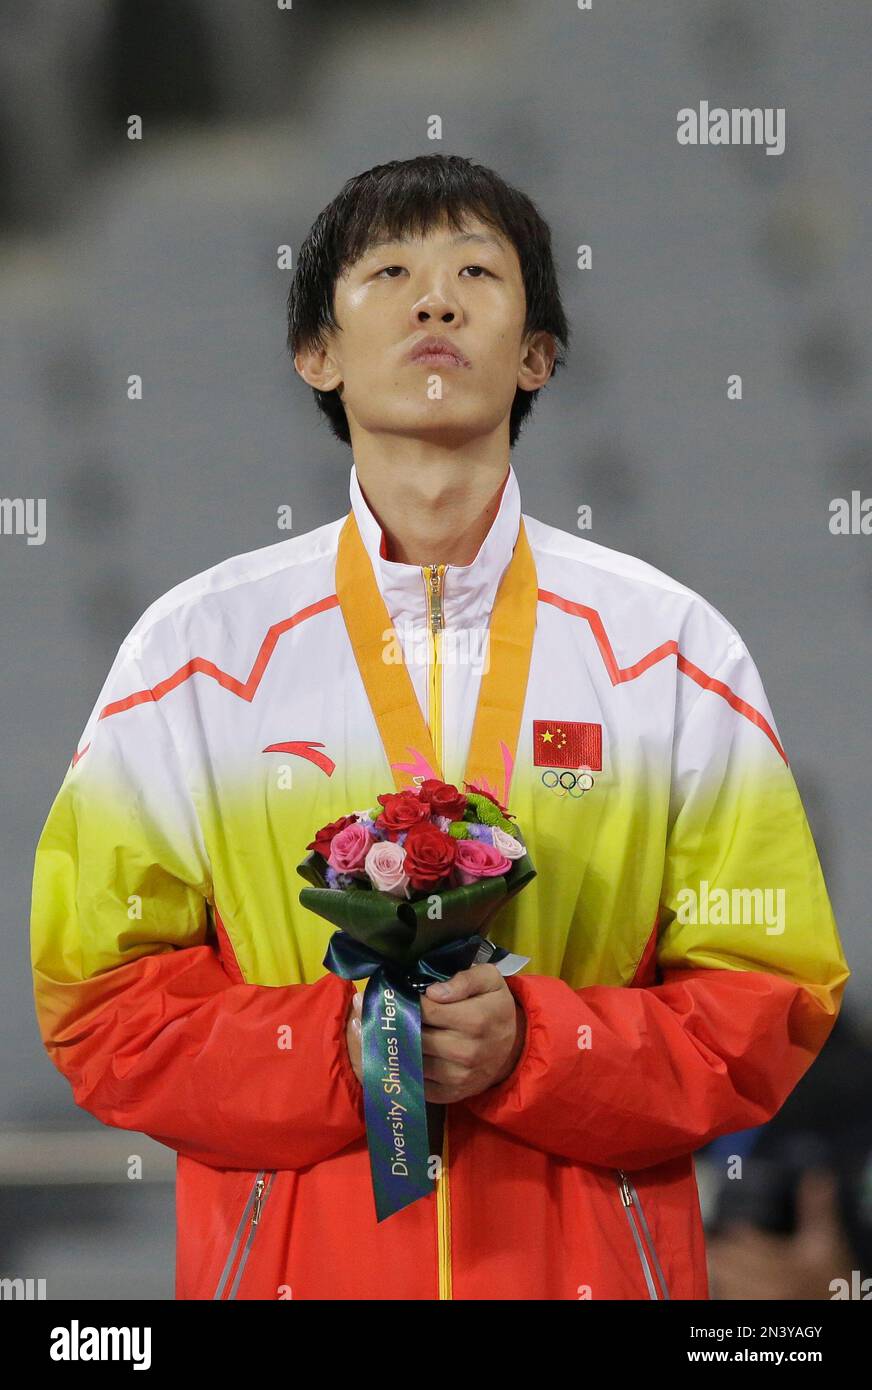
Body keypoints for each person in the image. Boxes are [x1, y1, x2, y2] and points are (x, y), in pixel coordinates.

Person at [30, 153, 850, 1300]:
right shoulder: (194, 655)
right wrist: (344, 1050)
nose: (435, 298)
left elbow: (767, 1000)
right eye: (388, 272)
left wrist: (537, 1045)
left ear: (535, 355)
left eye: (477, 269)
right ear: (315, 352)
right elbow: (98, 1003)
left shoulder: (669, 651)